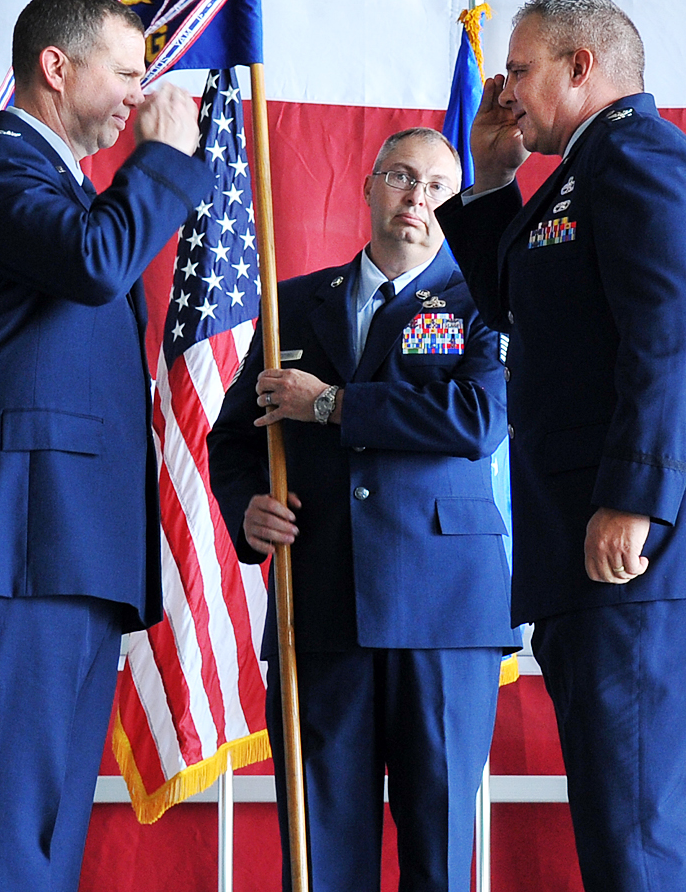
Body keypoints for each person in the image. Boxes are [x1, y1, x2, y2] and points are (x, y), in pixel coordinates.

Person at [436, 0, 686, 892]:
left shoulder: (639, 159)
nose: (505, 91)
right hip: (591, 543)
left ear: (579, 67)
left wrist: (635, 498)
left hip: (638, 546)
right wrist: (490, 183)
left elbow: (673, 338)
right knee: (617, 816)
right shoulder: (583, 171)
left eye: (520, 70)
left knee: (634, 828)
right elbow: (520, 309)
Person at [0, 0, 208, 891]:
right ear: (55, 67)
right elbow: (94, 260)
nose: (138, 96)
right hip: (17, 549)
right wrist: (164, 160)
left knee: (42, 848)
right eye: (126, 73)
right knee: (3, 841)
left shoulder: (68, 190)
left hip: (69, 552)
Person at [209, 127, 515, 892]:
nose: (417, 196)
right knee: (322, 854)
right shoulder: (292, 304)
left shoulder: (486, 298)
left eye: (438, 186)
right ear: (370, 186)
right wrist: (248, 508)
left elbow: (477, 419)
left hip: (444, 612)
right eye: (402, 177)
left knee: (438, 852)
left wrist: (333, 404)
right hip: (320, 605)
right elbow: (233, 438)